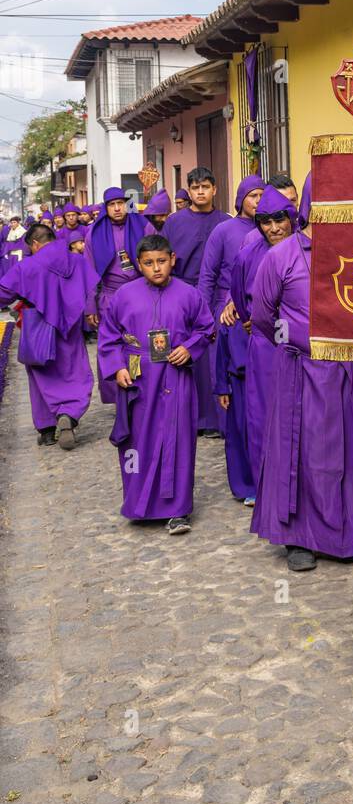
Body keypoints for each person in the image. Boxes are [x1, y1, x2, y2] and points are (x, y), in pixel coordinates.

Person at [250, 183, 353, 572]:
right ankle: (297, 538)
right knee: (300, 450)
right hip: (300, 367)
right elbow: (264, 316)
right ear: (312, 206)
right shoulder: (282, 256)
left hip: (350, 367)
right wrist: (297, 340)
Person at [98, 233, 214, 534]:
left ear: (173, 259)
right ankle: (138, 504)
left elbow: (205, 329)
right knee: (138, 440)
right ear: (139, 265)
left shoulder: (189, 294)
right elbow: (108, 337)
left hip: (176, 375)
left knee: (178, 437)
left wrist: (189, 347)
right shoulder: (124, 295)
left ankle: (177, 510)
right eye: (149, 263)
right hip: (139, 377)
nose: (157, 268)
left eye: (162, 261)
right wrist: (116, 368)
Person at [219, 185, 296, 506]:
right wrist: (251, 316)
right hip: (263, 344)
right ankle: (266, 486)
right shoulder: (248, 255)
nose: (274, 228)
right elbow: (238, 292)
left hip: (296, 341)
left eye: (280, 219)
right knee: (262, 415)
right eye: (266, 221)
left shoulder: (307, 250)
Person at [0, 223, 95, 448]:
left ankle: (46, 428)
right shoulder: (77, 260)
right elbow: (92, 289)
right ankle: (69, 415)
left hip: (38, 328)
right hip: (70, 328)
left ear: (34, 244)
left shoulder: (28, 266)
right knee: (74, 370)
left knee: (41, 374)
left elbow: (3, 294)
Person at [197, 174, 265, 463]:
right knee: (224, 368)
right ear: (241, 199)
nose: (258, 201)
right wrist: (204, 316)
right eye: (253, 196)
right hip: (225, 307)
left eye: (263, 195)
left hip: (258, 304)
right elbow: (208, 274)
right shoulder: (224, 230)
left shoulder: (271, 230)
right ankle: (229, 430)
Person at [162, 167, 231, 436]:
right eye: (195, 187)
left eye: (205, 186)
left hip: (217, 298)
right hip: (182, 293)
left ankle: (215, 419)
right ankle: (189, 418)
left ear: (214, 189)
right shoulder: (174, 222)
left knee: (214, 356)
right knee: (186, 354)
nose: (200, 192)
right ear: (188, 192)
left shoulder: (226, 221)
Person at [84, 188, 154, 403]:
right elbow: (88, 272)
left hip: (141, 294)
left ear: (126, 204)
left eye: (120, 203)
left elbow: (157, 255)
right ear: (105, 207)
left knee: (138, 343)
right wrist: (90, 306)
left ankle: (140, 387)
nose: (117, 208)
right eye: (112, 204)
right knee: (113, 344)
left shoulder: (143, 225)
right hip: (110, 297)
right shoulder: (94, 234)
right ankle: (119, 394)